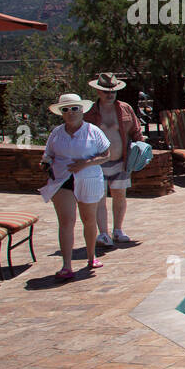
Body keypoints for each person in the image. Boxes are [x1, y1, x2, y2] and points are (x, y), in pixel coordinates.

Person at [39, 92, 112, 281]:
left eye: (75, 108)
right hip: (63, 180)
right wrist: (45, 162)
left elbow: (106, 154)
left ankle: (91, 256)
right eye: (66, 109)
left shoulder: (93, 131)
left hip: (88, 178)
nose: (71, 112)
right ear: (61, 112)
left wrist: (85, 164)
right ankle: (67, 265)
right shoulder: (56, 133)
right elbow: (48, 154)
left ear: (82, 110)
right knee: (66, 222)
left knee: (88, 219)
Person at [83, 72, 145, 246]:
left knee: (120, 196)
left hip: (120, 161)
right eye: (106, 91)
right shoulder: (90, 112)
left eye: (112, 91)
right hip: (98, 162)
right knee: (99, 198)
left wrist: (142, 149)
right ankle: (103, 233)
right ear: (98, 92)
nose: (109, 95)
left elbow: (136, 131)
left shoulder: (125, 108)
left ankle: (117, 230)